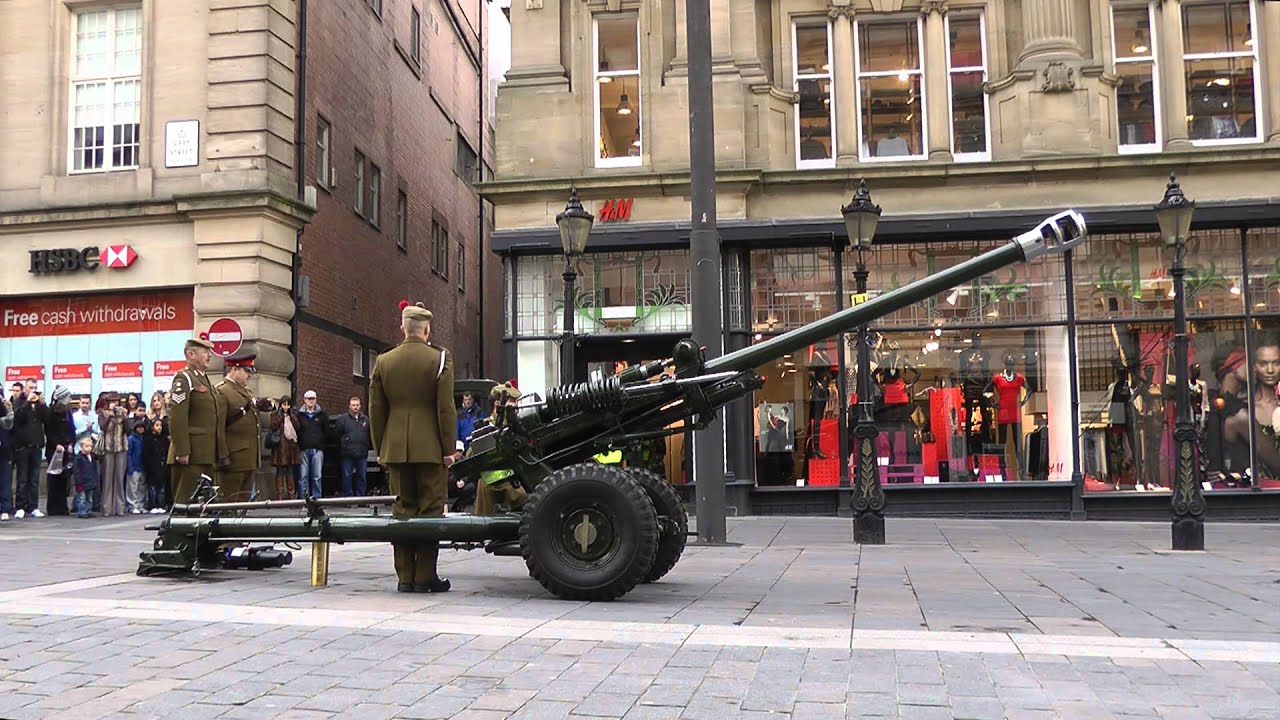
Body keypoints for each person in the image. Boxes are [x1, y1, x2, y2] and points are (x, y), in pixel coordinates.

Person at [369, 300, 457, 593]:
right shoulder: (440, 359)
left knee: (402, 509)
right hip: (431, 446)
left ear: (403, 329)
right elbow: (445, 409)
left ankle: (404, 577)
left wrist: (380, 447)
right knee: (430, 510)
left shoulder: (384, 361)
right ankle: (425, 576)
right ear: (427, 329)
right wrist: (448, 448)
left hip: (394, 445)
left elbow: (376, 410)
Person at [168, 333, 227, 503]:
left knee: (201, 506)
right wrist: (182, 451)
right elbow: (177, 417)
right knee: (185, 503)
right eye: (205, 351)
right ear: (191, 354)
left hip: (205, 454)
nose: (210, 355)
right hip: (191, 454)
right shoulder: (184, 378)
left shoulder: (204, 379)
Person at [214, 351, 275, 502]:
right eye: (246, 371)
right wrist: (222, 456)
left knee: (243, 504)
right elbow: (218, 428)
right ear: (234, 369)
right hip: (233, 459)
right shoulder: (222, 391)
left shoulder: (246, 391)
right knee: (230, 503)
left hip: (249, 458)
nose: (249, 376)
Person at [470, 382, 529, 516]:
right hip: (495, 483)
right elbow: (473, 460)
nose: (516, 406)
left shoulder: (513, 426)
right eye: (512, 402)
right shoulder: (487, 428)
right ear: (498, 404)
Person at [11, 380, 48, 519]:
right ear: (25, 388)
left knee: (34, 478)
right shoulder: (19, 402)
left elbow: (46, 419)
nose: (33, 390)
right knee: (22, 478)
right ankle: (20, 506)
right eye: (30, 387)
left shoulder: (39, 404)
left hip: (36, 444)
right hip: (23, 445)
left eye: (35, 388)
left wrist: (43, 404)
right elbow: (18, 418)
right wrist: (27, 401)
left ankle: (33, 506)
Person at [43, 386, 76, 516]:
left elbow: (70, 429)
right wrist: (56, 443)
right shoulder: (52, 411)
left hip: (66, 447)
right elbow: (49, 430)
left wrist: (70, 443)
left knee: (63, 478)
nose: (69, 399)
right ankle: (53, 507)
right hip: (55, 449)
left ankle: (62, 507)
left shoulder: (67, 412)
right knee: (54, 478)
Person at [96, 392, 128, 517]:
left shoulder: (123, 413)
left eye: (116, 401)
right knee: (108, 478)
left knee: (119, 478)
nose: (114, 404)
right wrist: (110, 416)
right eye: (112, 401)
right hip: (108, 448)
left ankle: (119, 507)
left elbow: (128, 430)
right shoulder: (102, 413)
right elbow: (103, 428)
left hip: (121, 447)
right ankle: (106, 508)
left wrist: (124, 418)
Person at [335, 396, 372, 497]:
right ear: (349, 406)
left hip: (362, 453)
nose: (355, 407)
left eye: (357, 405)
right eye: (353, 405)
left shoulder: (366, 420)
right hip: (347, 453)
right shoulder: (342, 420)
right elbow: (336, 435)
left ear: (360, 406)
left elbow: (369, 435)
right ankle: (348, 498)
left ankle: (361, 498)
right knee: (347, 476)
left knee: (362, 477)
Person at [295, 390, 330, 498]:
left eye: (313, 399)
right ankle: (304, 500)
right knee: (303, 476)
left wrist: (321, 444)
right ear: (304, 400)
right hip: (303, 449)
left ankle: (317, 500)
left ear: (316, 400)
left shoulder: (322, 415)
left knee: (317, 476)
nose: (311, 401)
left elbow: (327, 431)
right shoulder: (299, 415)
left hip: (317, 450)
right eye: (309, 399)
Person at [269, 397, 300, 500]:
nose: (286, 407)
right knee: (280, 473)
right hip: (280, 449)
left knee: (290, 473)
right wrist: (281, 417)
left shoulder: (293, 416)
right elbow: (273, 426)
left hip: (291, 448)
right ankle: (280, 496)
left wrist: (291, 416)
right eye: (284, 404)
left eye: (288, 405)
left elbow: (298, 427)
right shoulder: (275, 415)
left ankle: (291, 495)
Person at [143, 417, 170, 513]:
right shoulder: (148, 439)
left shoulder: (163, 439)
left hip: (161, 466)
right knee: (152, 488)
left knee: (161, 488)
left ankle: (161, 505)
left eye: (160, 425)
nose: (159, 428)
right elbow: (146, 455)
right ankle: (152, 505)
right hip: (152, 467)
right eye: (157, 425)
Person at [72, 436, 100, 519]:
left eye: (91, 446)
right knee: (82, 498)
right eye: (86, 446)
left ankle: (88, 510)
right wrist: (78, 481)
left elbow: (94, 469)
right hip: (82, 482)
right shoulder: (78, 458)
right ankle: (82, 511)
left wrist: (95, 480)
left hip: (90, 481)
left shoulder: (92, 457)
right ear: (81, 447)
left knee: (89, 498)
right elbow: (76, 471)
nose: (89, 448)